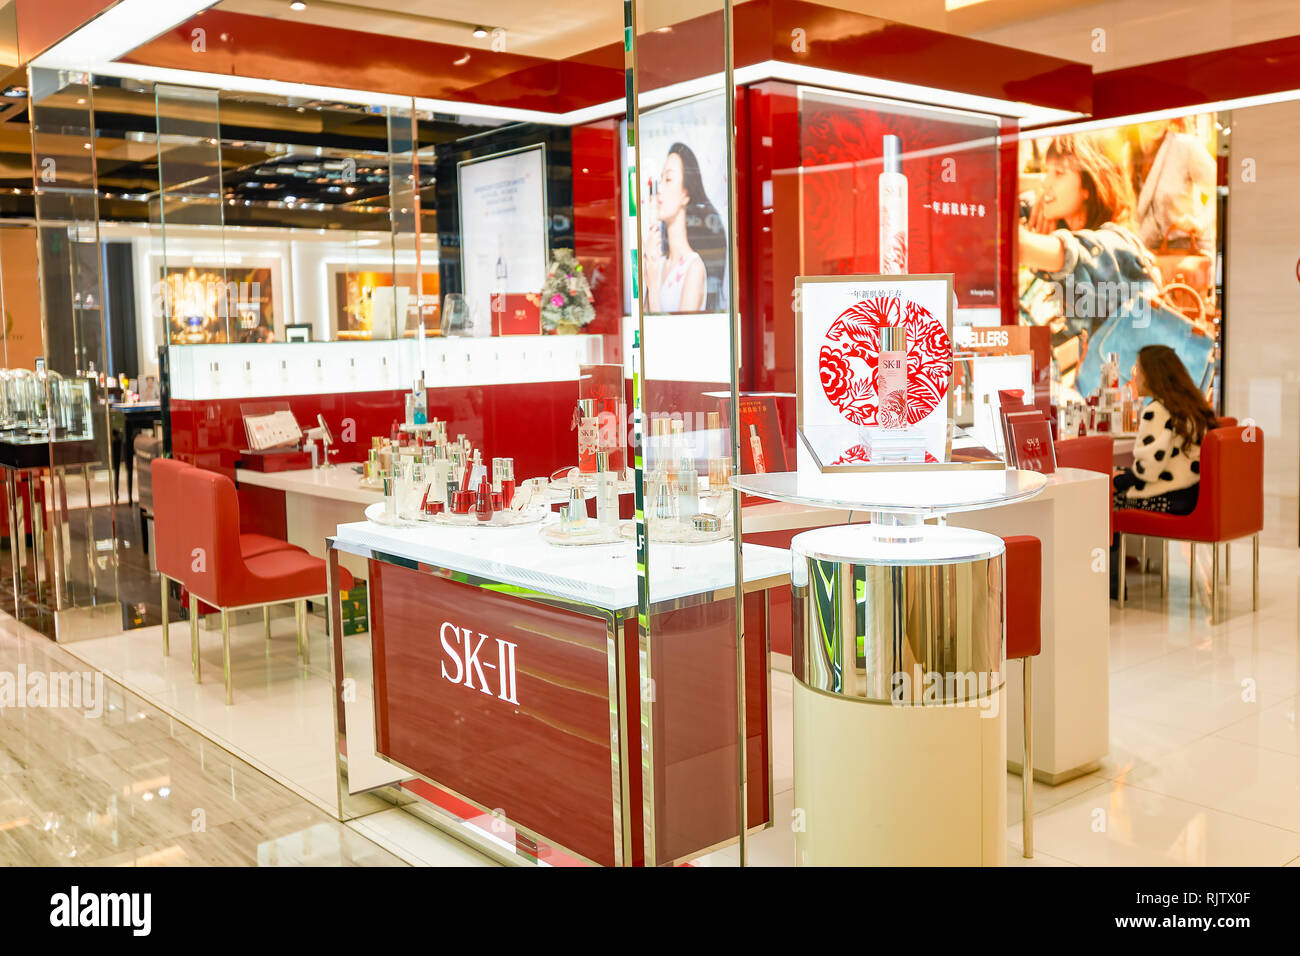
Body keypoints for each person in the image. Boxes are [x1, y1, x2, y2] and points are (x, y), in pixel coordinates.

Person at [1019, 135, 1213, 398]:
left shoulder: (1113, 245)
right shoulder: (1082, 255)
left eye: (1058, 173)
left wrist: (1199, 217)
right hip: (1111, 410)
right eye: (1046, 172)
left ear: (1088, 184)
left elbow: (1065, 253)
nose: (1046, 182)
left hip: (1129, 413)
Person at [1109, 345, 1219, 596]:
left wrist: (1118, 481)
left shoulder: (1156, 411)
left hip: (1167, 500)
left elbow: (1147, 472)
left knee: (1104, 499)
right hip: (1190, 494)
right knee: (1116, 479)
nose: (1134, 375)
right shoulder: (1193, 408)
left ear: (1153, 374)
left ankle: (1112, 586)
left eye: (1139, 369)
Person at [645, 142, 723, 313]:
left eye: (669, 179)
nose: (660, 189)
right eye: (661, 179)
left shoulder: (693, 268)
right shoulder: (658, 264)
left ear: (685, 195)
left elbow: (676, 334)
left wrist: (652, 285)